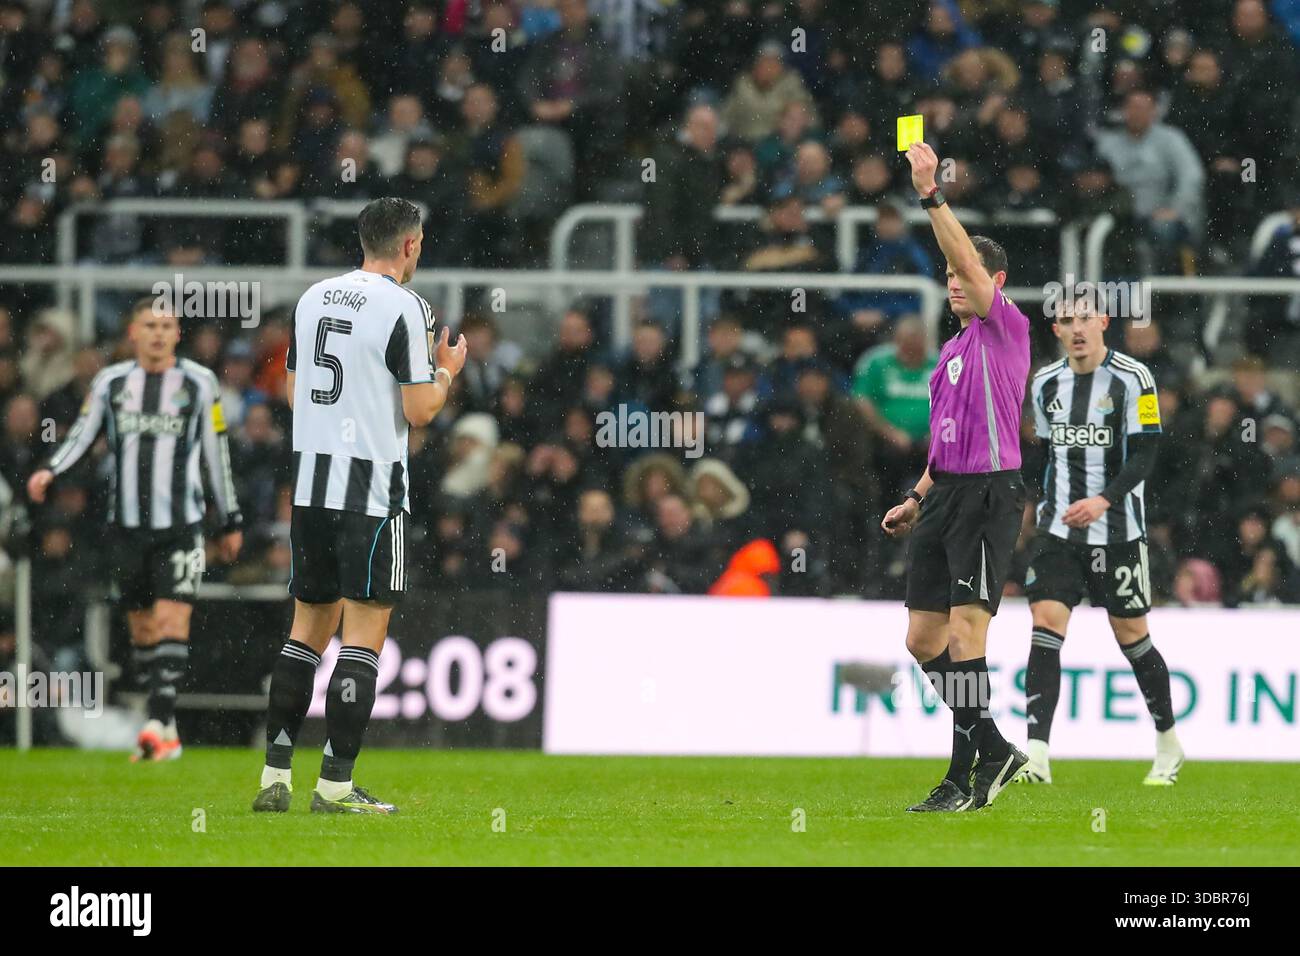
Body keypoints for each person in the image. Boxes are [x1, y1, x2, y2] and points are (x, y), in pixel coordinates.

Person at [252, 197, 467, 815]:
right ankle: (336, 786)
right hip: (372, 493)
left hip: (312, 491)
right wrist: (448, 371)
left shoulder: (313, 297)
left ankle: (274, 776)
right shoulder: (408, 307)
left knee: (303, 634)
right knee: (362, 640)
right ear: (409, 246)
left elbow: (295, 391)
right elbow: (420, 410)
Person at [880, 141, 1031, 813]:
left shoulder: (1008, 330)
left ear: (992, 284)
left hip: (992, 493)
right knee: (923, 640)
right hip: (946, 496)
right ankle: (993, 749)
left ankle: (960, 776)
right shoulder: (949, 355)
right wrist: (916, 496)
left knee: (968, 638)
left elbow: (965, 256)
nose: (952, 281)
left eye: (961, 273)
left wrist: (928, 193)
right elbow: (942, 445)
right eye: (946, 274)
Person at [27, 298, 244, 762]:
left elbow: (215, 453)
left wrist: (228, 519)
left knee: (171, 619)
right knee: (143, 629)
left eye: (167, 325)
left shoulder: (199, 383)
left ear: (177, 333)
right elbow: (83, 434)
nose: (159, 333)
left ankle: (155, 724)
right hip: (125, 529)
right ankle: (164, 724)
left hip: (181, 526)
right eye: (150, 325)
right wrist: (51, 470)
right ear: (133, 333)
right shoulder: (111, 383)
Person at [1020, 292, 1184, 786]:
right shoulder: (1045, 383)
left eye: (1084, 318)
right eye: (1066, 320)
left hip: (1118, 531)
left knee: (1132, 637)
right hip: (1057, 530)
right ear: (1056, 329)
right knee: (1045, 626)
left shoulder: (1134, 378)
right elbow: (1046, 454)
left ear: (1103, 322)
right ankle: (1038, 756)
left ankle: (1167, 740)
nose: (1076, 328)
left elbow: (1145, 455)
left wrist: (1103, 500)